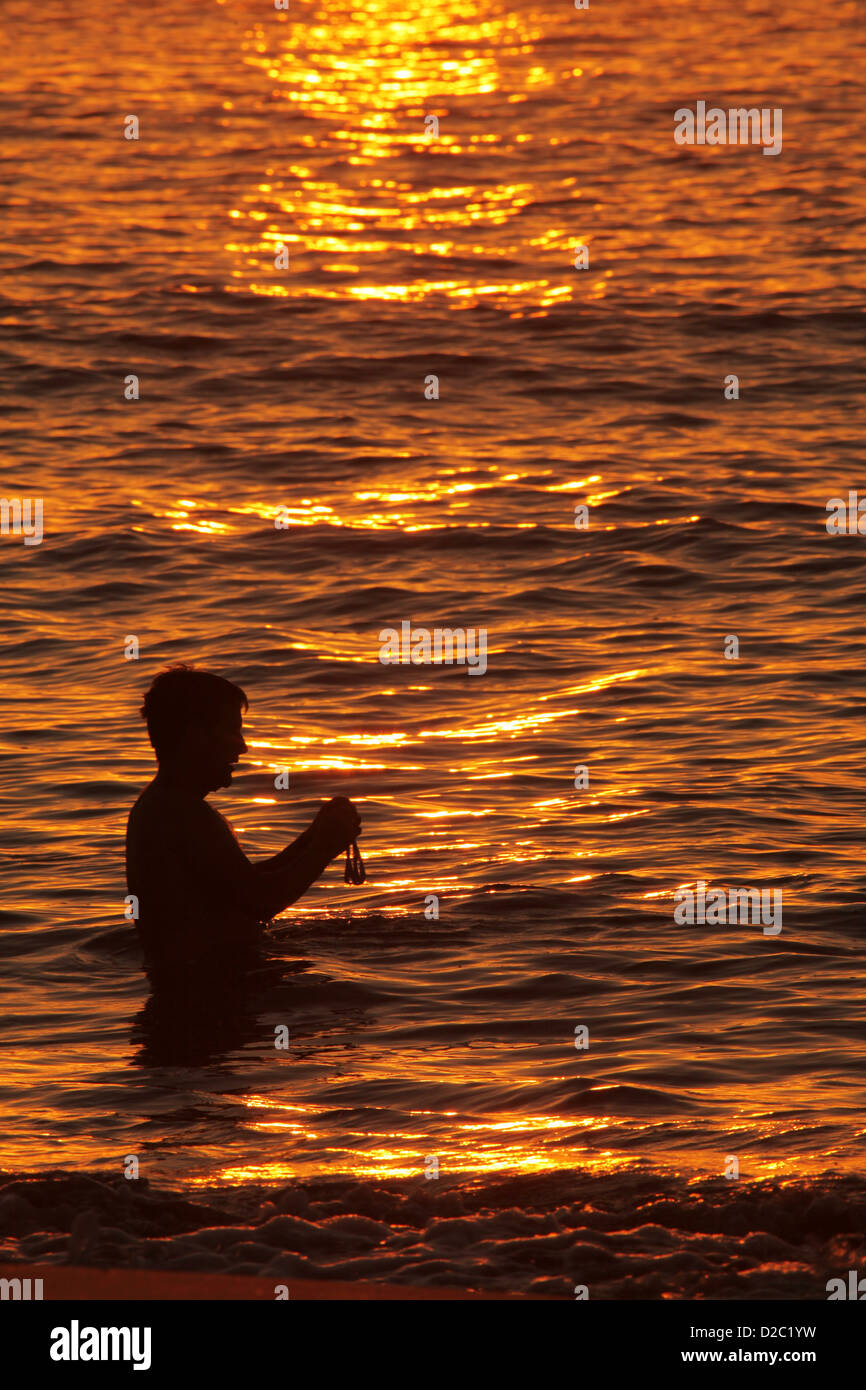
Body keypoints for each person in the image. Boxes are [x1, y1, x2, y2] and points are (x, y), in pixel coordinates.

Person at [125, 665, 361, 976]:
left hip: (201, 986)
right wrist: (322, 849)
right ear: (197, 735)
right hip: (206, 994)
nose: (242, 746)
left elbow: (237, 886)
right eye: (232, 731)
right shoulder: (180, 814)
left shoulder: (167, 806)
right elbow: (259, 901)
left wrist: (313, 838)